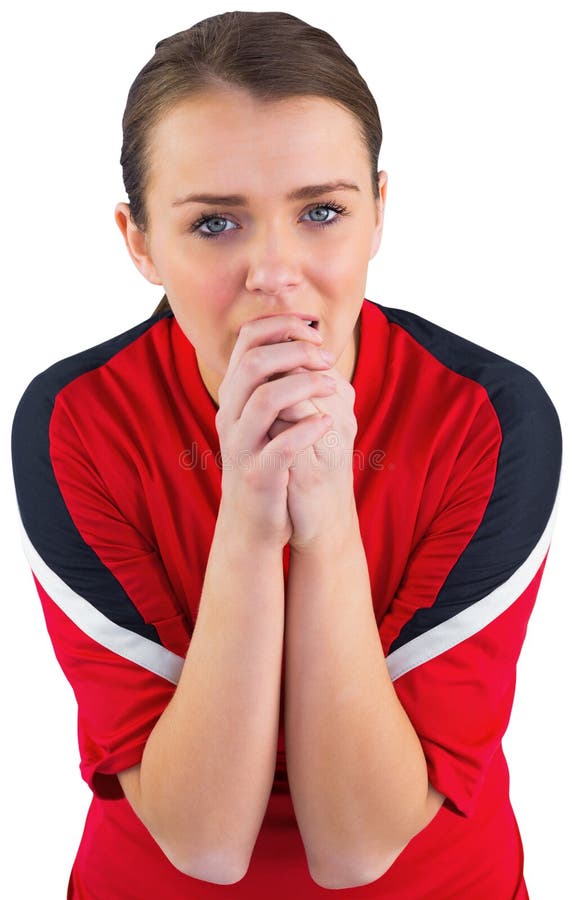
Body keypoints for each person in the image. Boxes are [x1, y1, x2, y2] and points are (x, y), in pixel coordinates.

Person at [10, 10, 562, 899]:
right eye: (216, 225)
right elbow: (205, 843)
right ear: (139, 240)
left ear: (381, 211)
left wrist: (327, 519)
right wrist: (250, 517)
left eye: (321, 211)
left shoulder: (490, 419)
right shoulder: (75, 421)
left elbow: (355, 848)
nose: (275, 270)